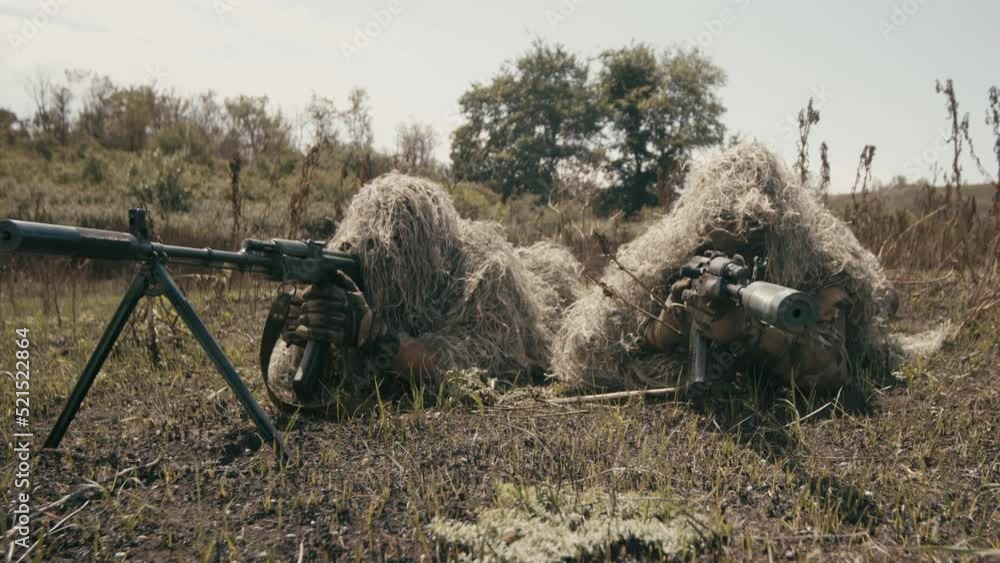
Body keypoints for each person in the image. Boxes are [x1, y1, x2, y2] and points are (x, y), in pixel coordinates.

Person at [552, 144, 900, 393]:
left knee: (884, 300)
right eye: (715, 243)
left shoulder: (817, 268)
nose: (733, 254)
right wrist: (671, 321)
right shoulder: (676, 257)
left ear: (777, 232)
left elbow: (833, 369)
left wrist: (752, 333)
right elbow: (600, 349)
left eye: (750, 242)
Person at [267, 172, 583, 411]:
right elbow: (304, 378)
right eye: (371, 248)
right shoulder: (358, 269)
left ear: (430, 252)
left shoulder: (486, 276)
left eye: (396, 249)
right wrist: (308, 330)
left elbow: (469, 373)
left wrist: (372, 334)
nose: (383, 265)